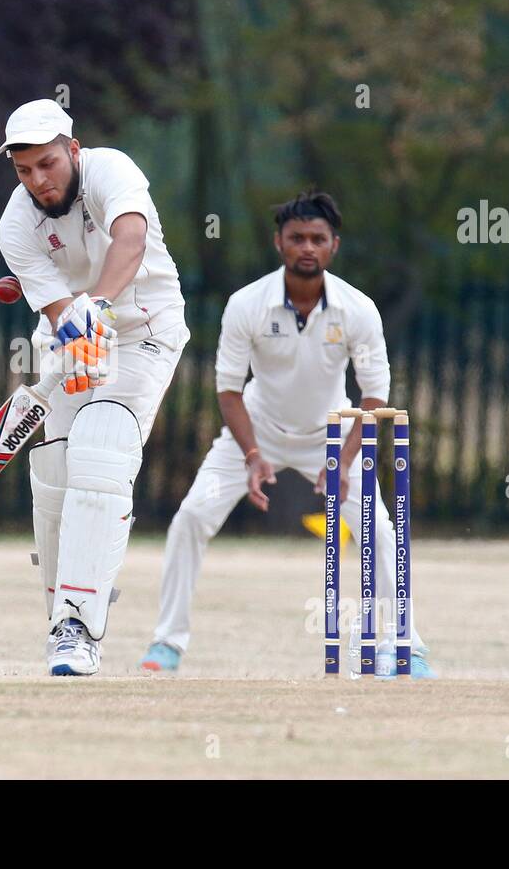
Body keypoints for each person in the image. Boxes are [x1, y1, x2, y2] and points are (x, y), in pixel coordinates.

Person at [138, 191, 436, 678]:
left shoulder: (357, 309)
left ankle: (405, 644)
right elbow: (230, 391)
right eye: (296, 238)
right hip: (257, 431)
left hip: (336, 435)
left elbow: (373, 398)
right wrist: (253, 454)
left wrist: (340, 460)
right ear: (279, 242)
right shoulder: (247, 304)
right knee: (191, 516)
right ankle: (167, 643)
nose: (307, 248)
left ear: (333, 246)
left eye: (318, 239)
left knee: (379, 529)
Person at [0, 99, 190, 675]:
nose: (38, 180)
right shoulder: (15, 225)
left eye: (48, 164)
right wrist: (76, 330)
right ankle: (63, 623)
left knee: (101, 452)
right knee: (56, 478)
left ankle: (81, 626)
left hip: (143, 330)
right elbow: (55, 306)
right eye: (24, 170)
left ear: (73, 151)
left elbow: (129, 243)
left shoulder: (112, 170)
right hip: (68, 340)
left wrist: (97, 306)